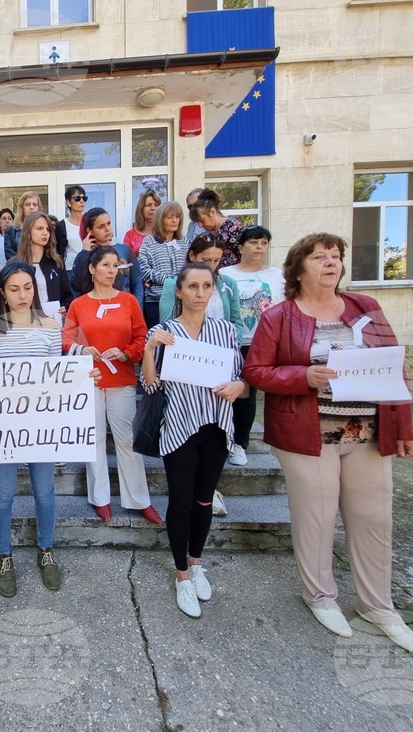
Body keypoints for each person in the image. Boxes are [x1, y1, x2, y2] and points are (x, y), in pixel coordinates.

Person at [243, 233, 413, 655]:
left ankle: (378, 606)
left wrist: (404, 429)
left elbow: (392, 367)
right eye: (320, 257)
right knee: (317, 518)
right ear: (299, 268)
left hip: (366, 432)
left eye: (336, 256)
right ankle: (320, 596)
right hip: (308, 432)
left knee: (374, 519)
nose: (330, 262)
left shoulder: (366, 308)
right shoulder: (279, 317)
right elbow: (256, 370)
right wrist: (301, 376)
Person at [141, 262, 246, 618]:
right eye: (193, 287)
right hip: (180, 425)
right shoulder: (163, 331)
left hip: (216, 425)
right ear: (180, 291)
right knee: (181, 503)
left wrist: (239, 386)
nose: (200, 294)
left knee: (204, 501)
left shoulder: (225, 330)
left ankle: (196, 562)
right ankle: (181, 575)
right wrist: (149, 348)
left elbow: (239, 377)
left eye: (206, 286)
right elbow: (151, 385)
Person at [0, 261, 64, 596]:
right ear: (2, 292)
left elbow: (59, 374)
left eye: (27, 287)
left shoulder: (50, 324)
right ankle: (4, 555)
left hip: (40, 426)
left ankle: (46, 550)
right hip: (4, 426)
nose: (22, 295)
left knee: (45, 492)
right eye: (13, 289)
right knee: (3, 494)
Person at [64, 246, 161, 524]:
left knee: (128, 441)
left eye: (114, 265)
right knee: (93, 440)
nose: (111, 270)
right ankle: (100, 498)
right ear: (92, 269)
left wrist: (126, 353)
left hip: (121, 379)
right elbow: (66, 338)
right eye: (105, 265)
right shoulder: (78, 304)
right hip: (90, 381)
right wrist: (81, 350)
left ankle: (139, 499)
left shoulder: (129, 301)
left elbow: (143, 338)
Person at [219, 226, 285, 467]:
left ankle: (239, 443)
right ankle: (223, 437)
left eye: (264, 243)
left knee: (247, 393)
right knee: (226, 391)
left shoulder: (277, 276)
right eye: (254, 242)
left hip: (262, 343)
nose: (259, 247)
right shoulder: (226, 273)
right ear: (241, 247)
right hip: (230, 341)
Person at [158, 234, 242, 341]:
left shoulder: (229, 284)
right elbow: (166, 324)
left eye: (216, 260)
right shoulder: (172, 284)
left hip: (222, 349)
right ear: (192, 255)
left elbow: (236, 322)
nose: (211, 266)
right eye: (206, 260)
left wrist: (231, 346)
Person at [71, 207, 143, 305]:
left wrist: (137, 306)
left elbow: (137, 282)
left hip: (125, 308)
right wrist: (84, 253)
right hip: (96, 310)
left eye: (108, 223)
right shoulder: (86, 254)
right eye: (101, 226)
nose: (107, 229)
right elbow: (77, 285)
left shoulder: (125, 250)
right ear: (89, 231)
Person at [139, 200, 189, 327]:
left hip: (182, 298)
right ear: (160, 219)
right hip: (156, 299)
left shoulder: (185, 242)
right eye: (170, 217)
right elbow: (143, 269)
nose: (174, 220)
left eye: (177, 217)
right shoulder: (149, 241)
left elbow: (191, 267)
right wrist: (168, 281)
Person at [13, 211, 73, 316]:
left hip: (53, 323)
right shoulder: (14, 264)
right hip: (25, 322)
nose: (45, 233)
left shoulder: (57, 262)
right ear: (28, 231)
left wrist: (65, 307)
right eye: (39, 228)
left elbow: (67, 296)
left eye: (48, 229)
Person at [190, 188, 245, 267]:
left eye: (202, 220)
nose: (200, 225)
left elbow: (245, 257)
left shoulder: (234, 228)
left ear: (212, 212)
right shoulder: (208, 232)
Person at [4, 190, 42, 261]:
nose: (31, 207)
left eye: (34, 204)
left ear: (38, 208)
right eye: (28, 204)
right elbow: (9, 256)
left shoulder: (45, 229)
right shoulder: (11, 231)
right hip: (19, 269)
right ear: (22, 207)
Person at [56, 185, 87, 269]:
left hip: (89, 269)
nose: (81, 201)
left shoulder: (89, 223)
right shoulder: (61, 226)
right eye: (77, 198)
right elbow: (58, 252)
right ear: (69, 202)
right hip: (69, 270)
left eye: (84, 198)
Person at [123, 190, 160, 256]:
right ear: (141, 209)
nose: (153, 208)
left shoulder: (164, 233)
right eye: (149, 205)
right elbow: (124, 260)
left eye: (156, 205)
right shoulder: (130, 235)